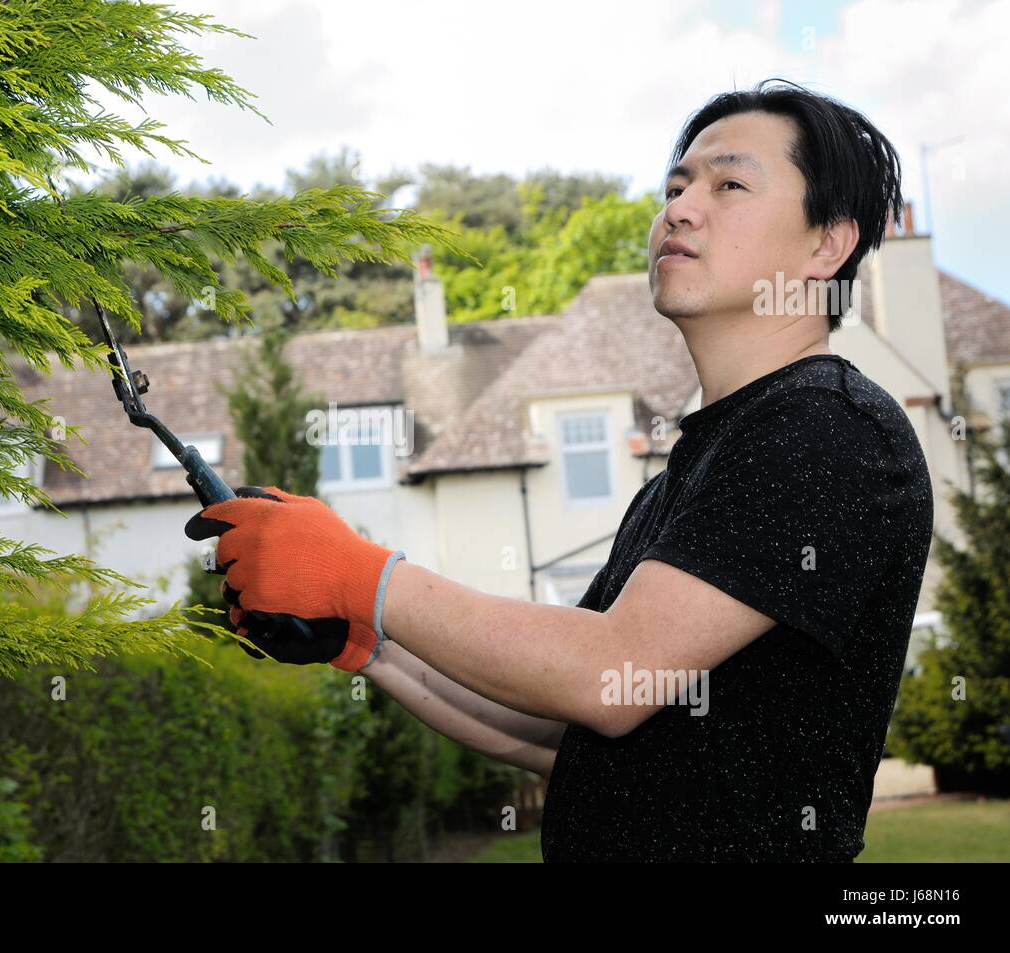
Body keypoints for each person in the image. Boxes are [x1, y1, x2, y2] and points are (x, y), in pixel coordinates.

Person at [184, 79, 934, 862]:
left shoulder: (827, 427)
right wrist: (363, 637)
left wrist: (356, 571)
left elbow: (609, 674)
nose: (678, 208)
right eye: (675, 186)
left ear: (827, 244)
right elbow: (557, 726)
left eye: (730, 184)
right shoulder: (686, 475)